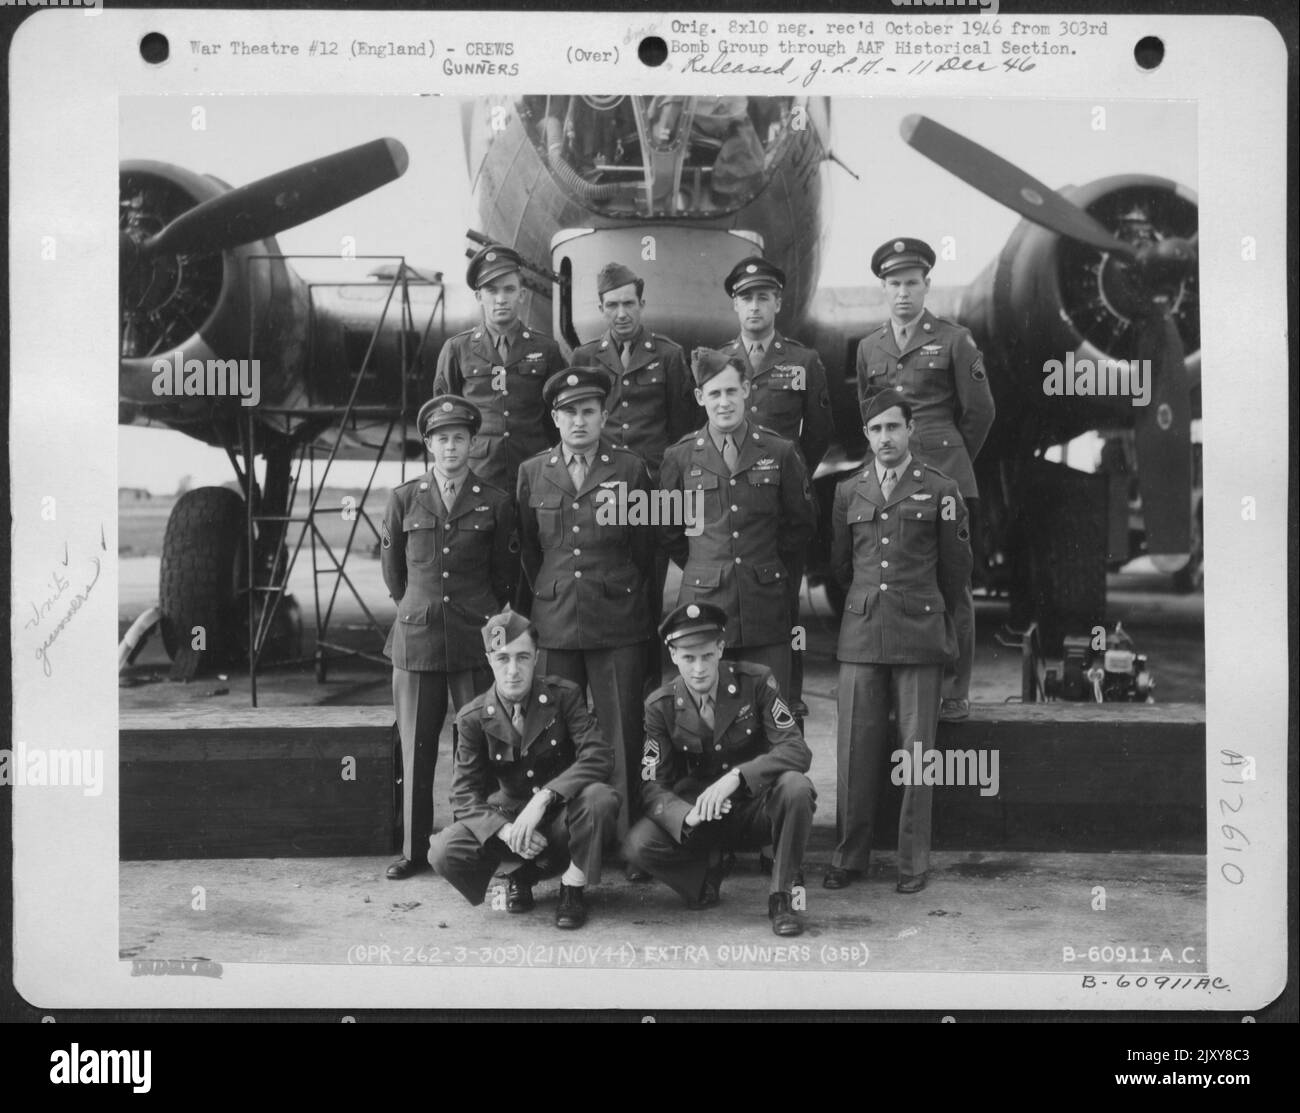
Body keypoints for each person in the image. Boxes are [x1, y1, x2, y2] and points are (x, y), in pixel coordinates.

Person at [824, 394, 972, 894]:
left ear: (911, 430)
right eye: (875, 429)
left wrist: (926, 613)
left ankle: (912, 863)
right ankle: (849, 856)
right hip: (862, 636)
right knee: (854, 753)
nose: (884, 438)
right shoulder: (849, 491)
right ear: (865, 435)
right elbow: (841, 567)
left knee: (917, 756)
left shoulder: (942, 489)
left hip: (918, 636)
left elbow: (956, 572)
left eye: (893, 427)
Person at [854, 237, 994, 721]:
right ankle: (906, 690)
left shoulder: (956, 340)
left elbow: (980, 411)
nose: (903, 293)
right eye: (893, 284)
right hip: (892, 487)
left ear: (926, 285)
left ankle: (954, 690)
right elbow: (870, 414)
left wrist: (950, 461)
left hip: (947, 481)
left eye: (912, 283)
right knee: (900, 582)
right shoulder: (868, 346)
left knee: (952, 586)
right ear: (883, 288)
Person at [380, 396, 518, 880]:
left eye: (460, 438)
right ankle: (414, 850)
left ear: (473, 443)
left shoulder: (495, 501)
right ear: (429, 444)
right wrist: (417, 610)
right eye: (442, 439)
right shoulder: (402, 498)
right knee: (416, 749)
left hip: (473, 641)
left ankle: (468, 844)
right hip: (416, 643)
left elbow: (506, 577)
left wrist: (481, 615)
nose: (451, 447)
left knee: (475, 746)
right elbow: (394, 574)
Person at [516, 367, 654, 838]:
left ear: (604, 415)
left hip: (617, 618)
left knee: (621, 732)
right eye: (570, 412)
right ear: (555, 417)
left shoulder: (631, 469)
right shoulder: (532, 472)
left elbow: (646, 548)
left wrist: (632, 599)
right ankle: (562, 836)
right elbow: (527, 550)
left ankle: (625, 836)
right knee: (554, 734)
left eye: (589, 411)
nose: (580, 421)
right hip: (554, 618)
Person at [624, 603, 816, 936]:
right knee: (638, 845)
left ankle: (782, 896)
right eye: (688, 658)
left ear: (721, 649)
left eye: (706, 656)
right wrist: (685, 817)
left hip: (755, 804)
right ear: (672, 655)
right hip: (703, 814)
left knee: (797, 787)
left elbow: (796, 749)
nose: (699, 669)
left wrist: (737, 777)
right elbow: (652, 783)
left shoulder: (755, 681)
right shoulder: (660, 705)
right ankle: (705, 872)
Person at [428, 607, 619, 929]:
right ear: (488, 659)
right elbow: (463, 795)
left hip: (560, 819)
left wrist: (544, 797)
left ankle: (572, 886)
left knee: (600, 798)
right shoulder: (473, 717)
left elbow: (598, 755)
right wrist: (503, 830)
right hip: (509, 826)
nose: (513, 670)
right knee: (445, 850)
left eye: (522, 657)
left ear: (536, 658)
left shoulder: (565, 697)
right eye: (502, 659)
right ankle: (516, 875)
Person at [658, 348, 815, 701]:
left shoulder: (780, 452)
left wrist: (764, 563)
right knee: (710, 716)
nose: (724, 402)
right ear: (700, 397)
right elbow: (668, 531)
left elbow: (800, 523)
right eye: (714, 393)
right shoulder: (679, 458)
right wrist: (707, 565)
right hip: (705, 607)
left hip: (766, 604)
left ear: (746, 389)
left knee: (774, 710)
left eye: (731, 391)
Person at [719, 255, 833, 722]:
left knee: (786, 599)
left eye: (763, 297)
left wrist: (792, 475)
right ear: (734, 306)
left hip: (782, 504)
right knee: (730, 597)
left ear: (778, 303)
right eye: (745, 298)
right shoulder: (720, 363)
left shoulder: (803, 361)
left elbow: (821, 429)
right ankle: (733, 693)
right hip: (732, 503)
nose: (754, 307)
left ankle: (791, 690)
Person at [572, 262, 699, 654]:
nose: (621, 313)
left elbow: (683, 434)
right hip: (601, 491)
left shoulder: (670, 355)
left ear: (642, 304)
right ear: (601, 309)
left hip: (652, 495)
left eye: (629, 303)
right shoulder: (585, 357)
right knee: (598, 587)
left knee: (647, 593)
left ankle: (644, 691)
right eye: (612, 305)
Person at [432, 243, 566, 492]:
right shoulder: (457, 350)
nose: (501, 298)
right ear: (478, 296)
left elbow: (559, 419)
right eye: (492, 290)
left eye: (509, 289)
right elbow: (444, 421)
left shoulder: (547, 349)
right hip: (478, 477)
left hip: (535, 476)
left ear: (522, 295)